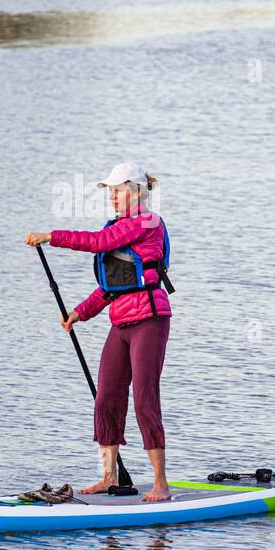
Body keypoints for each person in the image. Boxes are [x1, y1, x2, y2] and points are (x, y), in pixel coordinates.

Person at [25, 161, 173, 502]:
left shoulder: (147, 222)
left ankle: (160, 483)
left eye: (119, 191)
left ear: (136, 191)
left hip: (150, 320)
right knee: (106, 397)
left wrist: (52, 237)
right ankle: (108, 476)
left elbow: (98, 242)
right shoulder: (120, 226)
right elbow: (113, 286)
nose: (114, 198)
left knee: (144, 399)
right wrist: (80, 312)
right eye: (111, 192)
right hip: (120, 322)